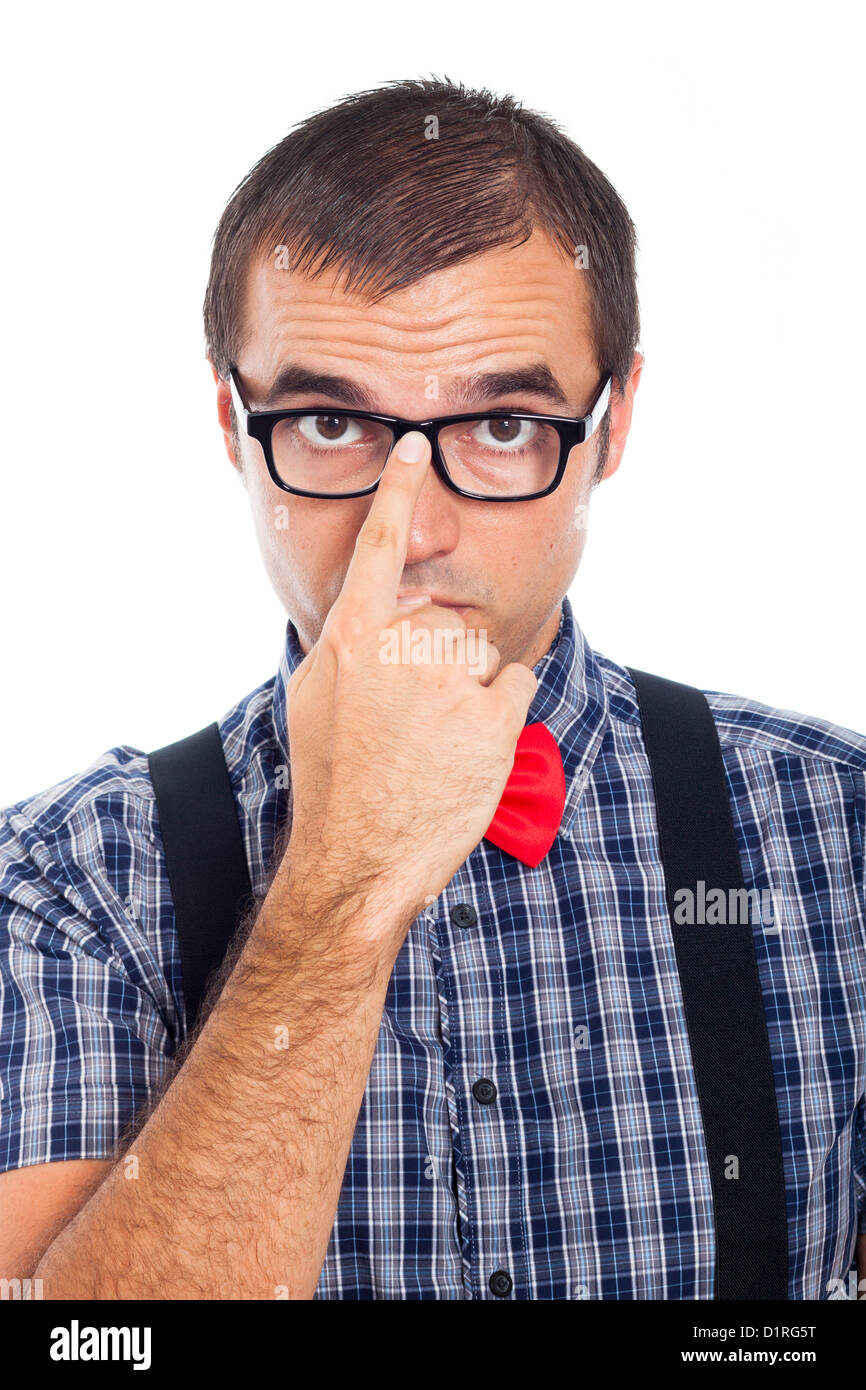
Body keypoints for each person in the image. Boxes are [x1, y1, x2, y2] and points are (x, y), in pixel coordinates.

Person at [1, 77, 864, 1301]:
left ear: (610, 427)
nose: (406, 532)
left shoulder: (840, 836)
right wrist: (341, 880)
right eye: (329, 423)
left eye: (502, 425)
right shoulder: (64, 880)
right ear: (233, 426)